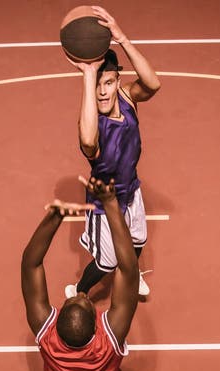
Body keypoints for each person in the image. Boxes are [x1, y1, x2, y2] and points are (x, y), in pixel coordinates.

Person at [21, 174, 139, 371]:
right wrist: (111, 204)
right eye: (84, 299)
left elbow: (31, 265)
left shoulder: (45, 331)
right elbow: (128, 269)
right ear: (96, 322)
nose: (82, 295)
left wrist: (54, 218)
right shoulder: (110, 336)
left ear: (57, 317)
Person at [65, 5, 160, 301]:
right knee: (106, 262)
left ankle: (132, 274)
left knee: (138, 239)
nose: (103, 92)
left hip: (131, 189)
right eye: (97, 86)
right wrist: (88, 75)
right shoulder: (91, 123)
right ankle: (78, 290)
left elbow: (153, 84)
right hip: (103, 204)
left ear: (118, 81)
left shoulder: (128, 98)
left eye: (108, 83)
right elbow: (88, 141)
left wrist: (122, 39)